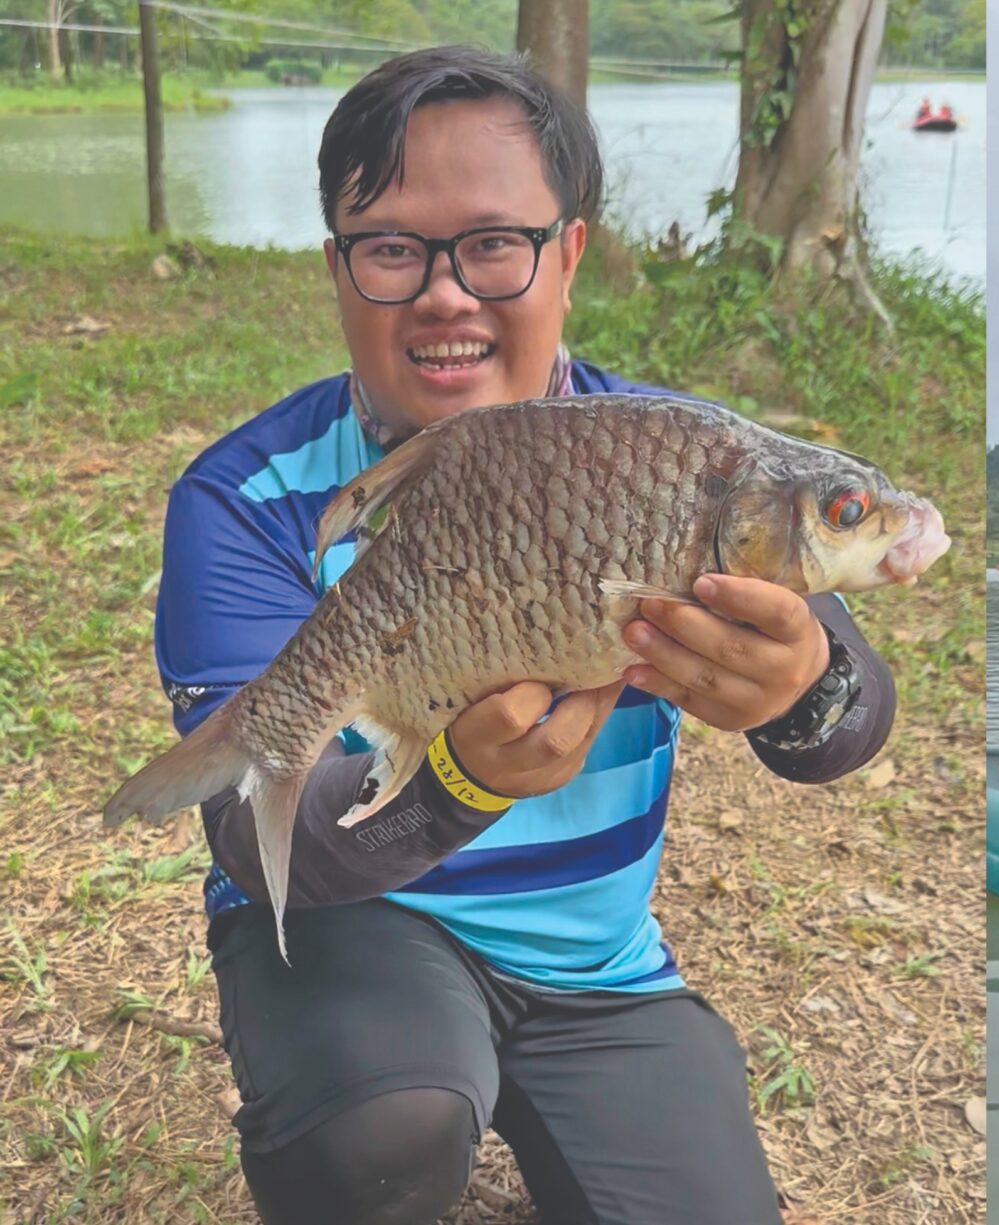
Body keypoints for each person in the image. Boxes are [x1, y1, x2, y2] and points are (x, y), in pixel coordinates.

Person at [154, 47, 895, 1224]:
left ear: (570, 254)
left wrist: (802, 686)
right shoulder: (242, 500)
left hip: (594, 964)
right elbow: (257, 840)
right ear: (337, 267)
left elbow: (846, 726)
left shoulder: (668, 459)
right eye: (393, 247)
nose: (447, 294)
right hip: (351, 928)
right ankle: (378, 1097)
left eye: (494, 244)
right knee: (380, 1131)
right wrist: (457, 778)